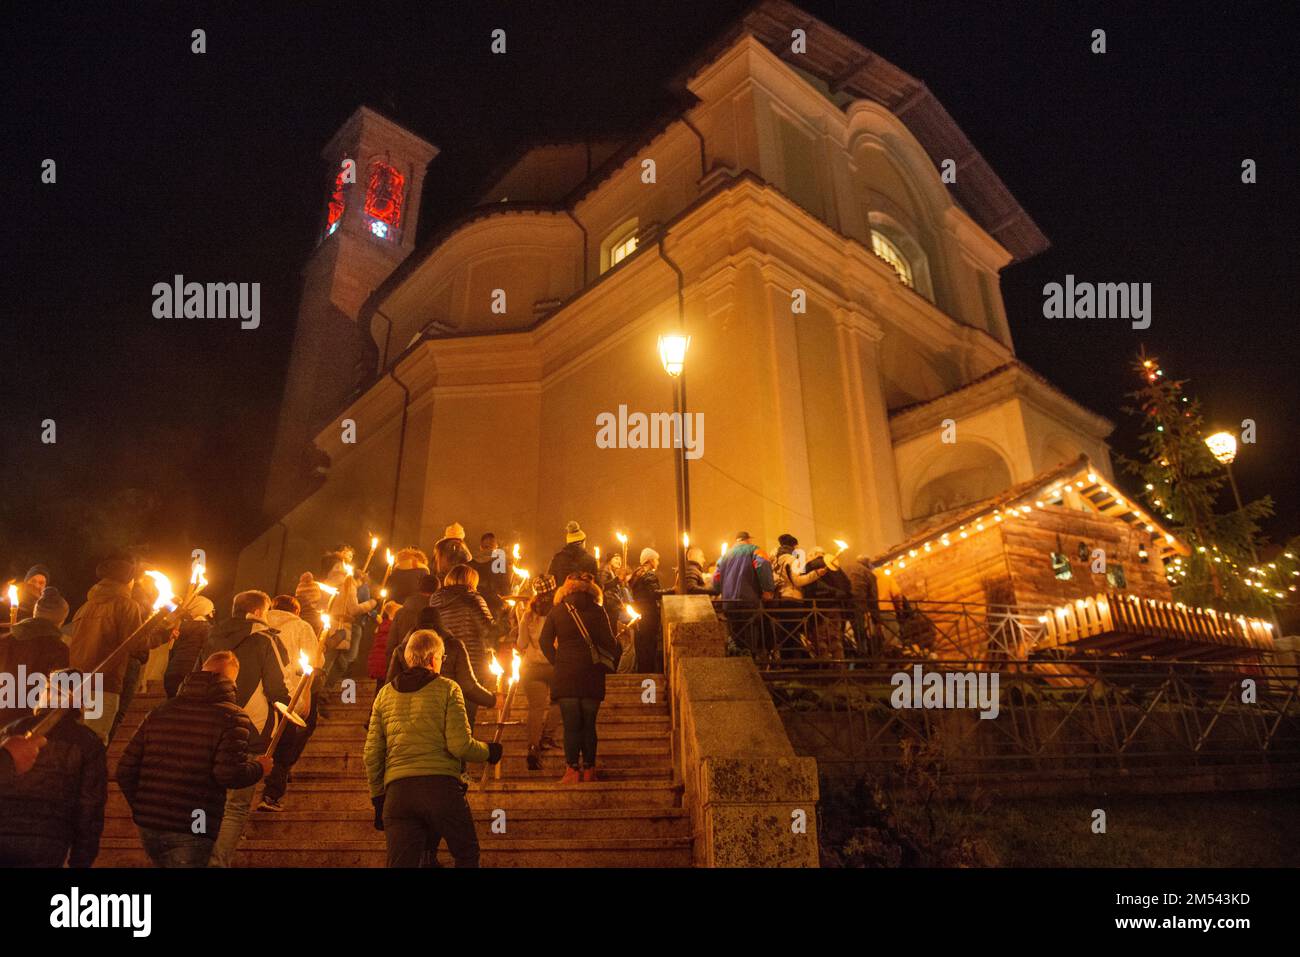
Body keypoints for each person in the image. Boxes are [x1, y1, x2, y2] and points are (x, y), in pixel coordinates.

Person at [116, 651, 272, 867]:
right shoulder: (232, 717)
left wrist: (145, 808)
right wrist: (258, 768)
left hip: (150, 827)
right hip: (195, 824)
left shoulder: (161, 711)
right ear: (231, 680)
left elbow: (124, 770)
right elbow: (227, 774)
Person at [364, 629, 502, 868]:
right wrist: (490, 752)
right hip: (441, 789)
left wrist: (378, 799)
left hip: (398, 794)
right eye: (442, 658)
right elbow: (460, 745)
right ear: (433, 658)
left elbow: (371, 754)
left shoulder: (384, 694)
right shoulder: (448, 688)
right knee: (466, 853)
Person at [200, 590, 289, 867]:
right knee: (236, 807)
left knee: (208, 801)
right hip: (248, 728)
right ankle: (217, 862)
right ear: (261, 611)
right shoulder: (265, 638)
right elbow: (276, 687)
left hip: (207, 726)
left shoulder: (212, 636)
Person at [0, 665, 106, 868]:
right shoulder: (88, 742)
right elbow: (90, 807)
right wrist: (81, 860)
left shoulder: (11, 731)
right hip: (48, 840)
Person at [68, 554, 159, 745]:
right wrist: (163, 633)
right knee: (95, 742)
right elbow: (137, 643)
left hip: (77, 682)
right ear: (128, 581)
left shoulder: (85, 607)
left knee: (75, 739)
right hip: (105, 682)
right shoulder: (126, 605)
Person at [540, 573, 620, 783]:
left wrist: (557, 660)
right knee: (589, 724)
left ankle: (572, 770)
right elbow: (611, 644)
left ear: (566, 590)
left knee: (571, 725)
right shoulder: (598, 611)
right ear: (592, 590)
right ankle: (590, 769)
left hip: (566, 672)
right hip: (592, 673)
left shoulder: (557, 611)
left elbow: (544, 641)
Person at [259, 595, 322, 812]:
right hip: (291, 692)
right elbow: (315, 662)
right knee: (287, 741)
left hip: (259, 693)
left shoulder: (260, 623)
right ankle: (272, 792)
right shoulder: (301, 626)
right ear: (296, 610)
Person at [386, 608, 497, 724]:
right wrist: (491, 700)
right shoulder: (454, 646)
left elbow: (390, 687)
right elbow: (468, 686)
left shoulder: (401, 650)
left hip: (410, 717)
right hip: (446, 713)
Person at [426, 565, 496, 724]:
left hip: (441, 662)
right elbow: (488, 630)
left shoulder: (434, 600)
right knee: (466, 715)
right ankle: (464, 746)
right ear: (472, 580)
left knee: (445, 715)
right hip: (471, 663)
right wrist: (503, 621)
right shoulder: (472, 599)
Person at [509, 575, 561, 770]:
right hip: (555, 665)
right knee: (559, 701)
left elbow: (522, 643)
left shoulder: (528, 615)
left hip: (531, 667)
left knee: (535, 708)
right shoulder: (560, 612)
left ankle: (532, 747)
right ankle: (547, 738)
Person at [0, 587, 72, 723]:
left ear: (35, 613)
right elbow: (56, 693)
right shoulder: (58, 649)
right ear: (60, 620)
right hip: (29, 720)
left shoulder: (5, 640)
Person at [712, 532, 776, 654]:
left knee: (736, 635)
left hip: (728, 603)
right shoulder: (755, 550)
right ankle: (751, 662)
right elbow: (762, 565)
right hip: (749, 600)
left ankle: (738, 663)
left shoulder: (724, 556)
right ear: (748, 540)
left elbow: (716, 578)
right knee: (751, 634)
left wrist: (718, 591)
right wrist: (768, 589)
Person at [162, 596, 216, 698]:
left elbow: (172, 651)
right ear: (205, 610)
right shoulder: (206, 628)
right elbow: (207, 652)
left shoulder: (178, 628)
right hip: (191, 674)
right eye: (211, 610)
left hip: (171, 673)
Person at [387, 573, 437, 678]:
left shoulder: (401, 612)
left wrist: (392, 665)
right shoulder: (437, 613)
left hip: (403, 666)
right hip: (430, 670)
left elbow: (392, 643)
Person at [628, 548, 664, 673]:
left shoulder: (637, 574)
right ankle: (649, 677)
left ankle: (643, 675)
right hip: (649, 615)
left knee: (641, 648)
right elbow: (655, 593)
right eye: (656, 559)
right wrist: (673, 590)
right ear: (650, 560)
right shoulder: (649, 574)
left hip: (640, 615)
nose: (658, 562)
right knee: (650, 647)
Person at [469, 532, 511, 621]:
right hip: (495, 604)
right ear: (495, 547)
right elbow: (504, 583)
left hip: (475, 603)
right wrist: (508, 599)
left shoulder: (471, 562)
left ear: (481, 547)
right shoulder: (500, 561)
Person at [547, 521, 599, 586]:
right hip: (583, 596)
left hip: (562, 595)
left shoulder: (557, 559)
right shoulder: (590, 561)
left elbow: (550, 581)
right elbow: (597, 586)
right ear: (582, 542)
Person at [368, 600, 402, 693]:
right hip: (385, 663)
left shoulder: (383, 625)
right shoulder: (391, 627)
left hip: (379, 663)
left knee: (380, 687)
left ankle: (376, 706)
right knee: (384, 688)